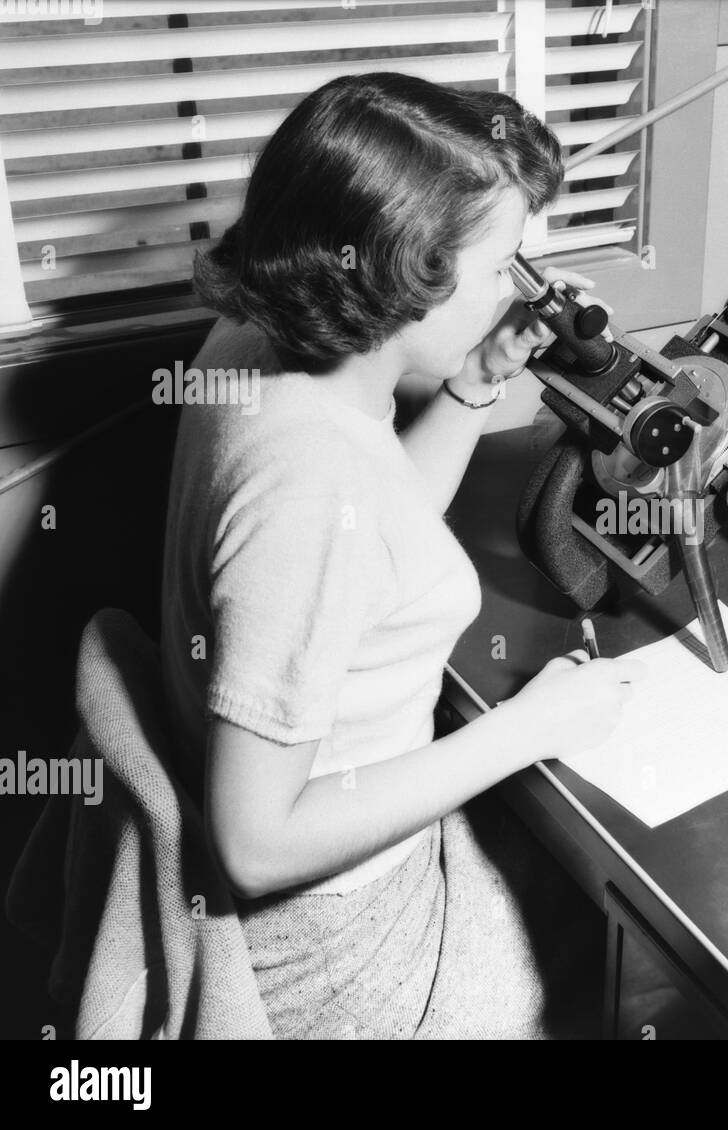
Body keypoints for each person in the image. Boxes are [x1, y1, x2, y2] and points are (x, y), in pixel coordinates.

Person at [160, 72, 644, 1038]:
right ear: (410, 271)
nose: (524, 282)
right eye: (506, 260)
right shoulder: (306, 482)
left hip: (338, 874)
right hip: (334, 943)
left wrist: (478, 377)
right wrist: (524, 731)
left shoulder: (255, 340)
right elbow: (255, 842)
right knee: (612, 969)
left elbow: (373, 541)